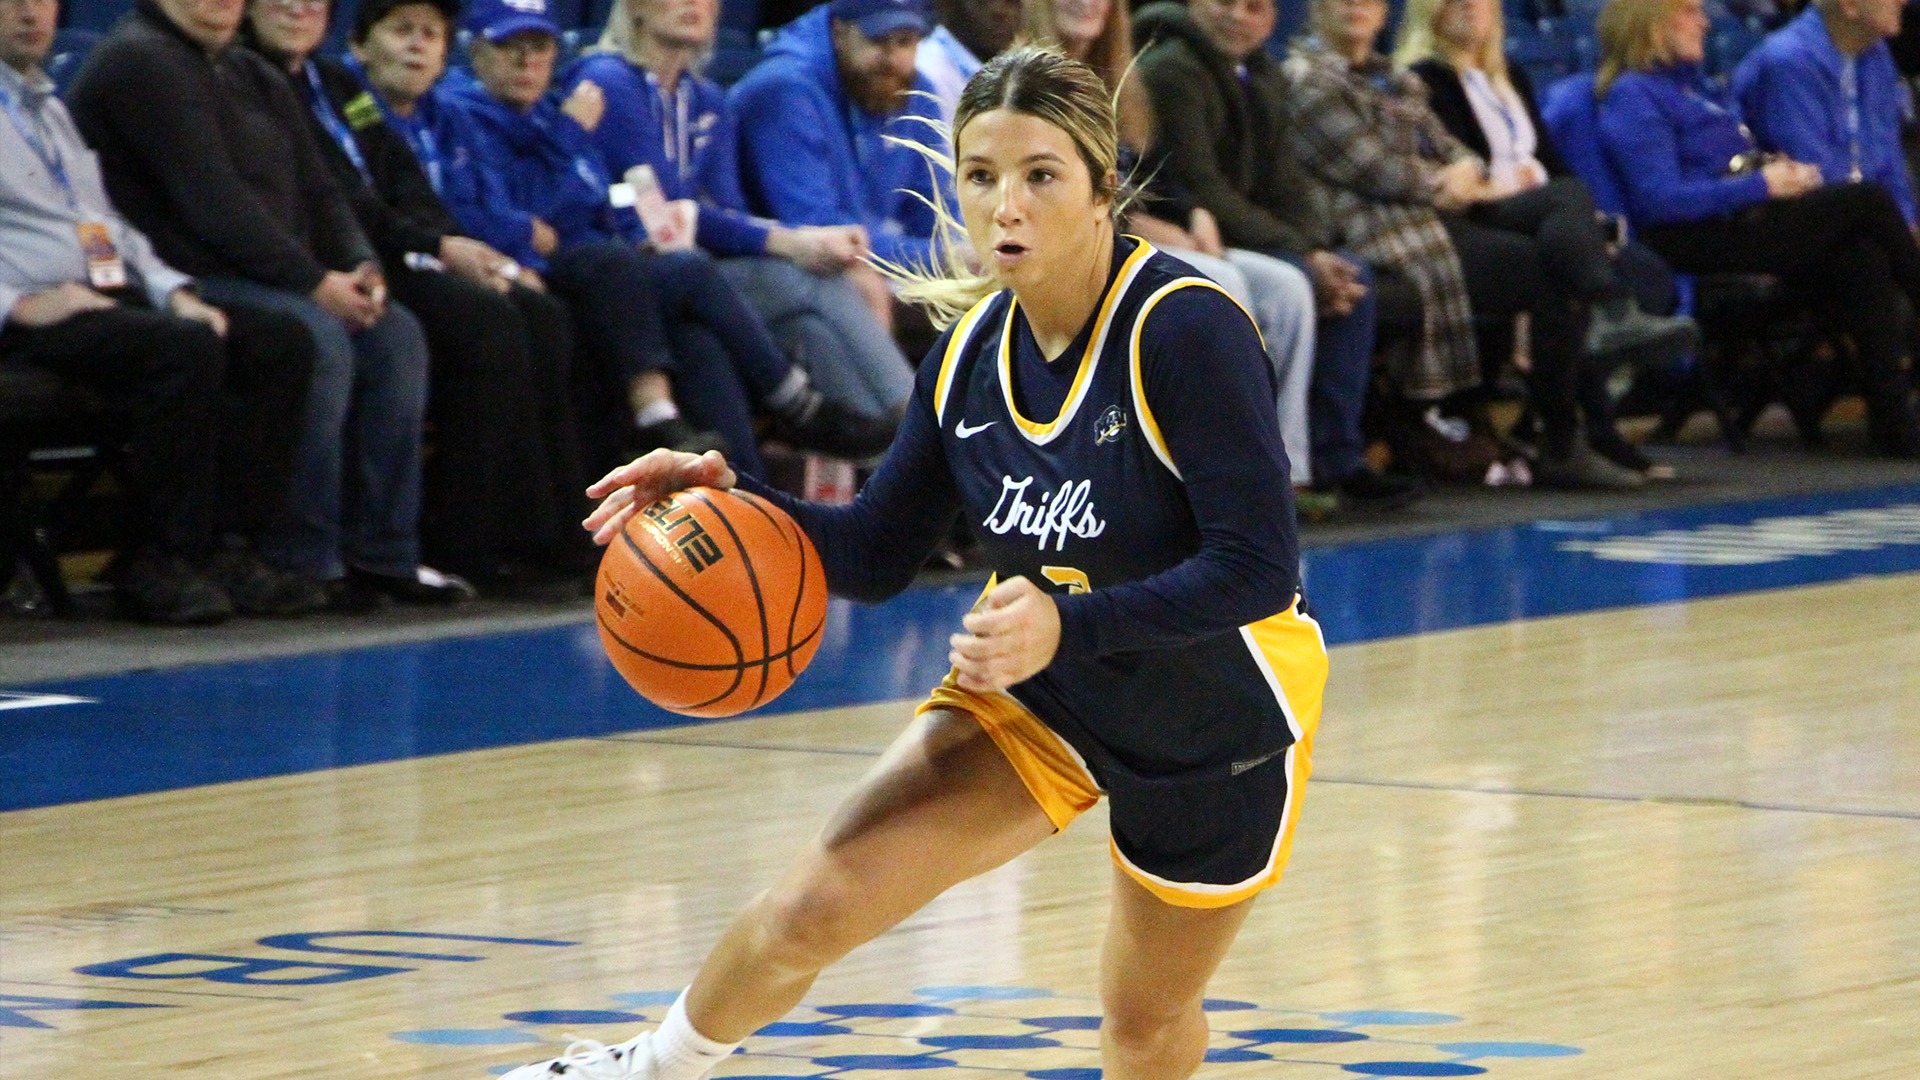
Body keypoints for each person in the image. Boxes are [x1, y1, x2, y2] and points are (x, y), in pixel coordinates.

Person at [503, 46, 1327, 1080]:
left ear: (1103, 185)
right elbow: (876, 551)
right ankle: (647, 1070)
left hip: (1213, 716)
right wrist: (731, 500)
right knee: (812, 906)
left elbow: (1260, 569)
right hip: (1041, 693)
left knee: (1141, 1024)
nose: (1005, 206)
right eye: (981, 175)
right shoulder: (971, 352)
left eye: (1040, 175)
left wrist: (1067, 625)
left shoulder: (1184, 328)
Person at [66, 0, 475, 607]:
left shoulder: (250, 71)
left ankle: (383, 554)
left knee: (396, 336)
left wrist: (360, 265)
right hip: (184, 279)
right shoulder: (139, 61)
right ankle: (302, 558)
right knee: (316, 337)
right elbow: (213, 204)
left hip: (274, 276)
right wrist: (314, 282)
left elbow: (322, 189)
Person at [436, 0, 896, 479]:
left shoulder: (684, 100)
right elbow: (539, 212)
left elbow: (638, 202)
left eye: (538, 47)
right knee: (777, 282)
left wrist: (644, 230)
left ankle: (757, 494)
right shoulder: (593, 91)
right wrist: (789, 241)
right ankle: (826, 415)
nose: (526, 61)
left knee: (707, 339)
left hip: (651, 265)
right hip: (608, 273)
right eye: (509, 47)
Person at [242, 0, 592, 596]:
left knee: (542, 315)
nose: (416, 44)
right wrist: (435, 245)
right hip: (343, 256)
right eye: (401, 30)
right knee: (487, 324)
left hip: (394, 246)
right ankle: (468, 539)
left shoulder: (337, 85)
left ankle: (555, 534)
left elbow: (394, 170)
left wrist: (454, 243)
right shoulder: (257, 82)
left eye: (430, 32)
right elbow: (341, 196)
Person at [1, 0, 319, 623]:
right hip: (30, 314)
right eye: (12, 1)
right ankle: (158, 559)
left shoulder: (46, 106)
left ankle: (229, 547)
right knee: (180, 350)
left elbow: (103, 223)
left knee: (277, 341)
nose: (30, 14)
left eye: (41, 0)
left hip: (99, 296)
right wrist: (21, 304)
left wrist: (170, 289)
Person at [1288, 0, 1694, 488]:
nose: (1357, 6)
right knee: (1558, 263)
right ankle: (1569, 431)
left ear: (1383, 13)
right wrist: (1452, 179)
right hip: (1386, 231)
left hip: (1439, 215)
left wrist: (1464, 173)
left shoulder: (1394, 80)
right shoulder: (1309, 82)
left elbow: (1459, 152)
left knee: (1569, 203)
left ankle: (1579, 412)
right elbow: (1380, 171)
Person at [1025, 0, 1386, 510]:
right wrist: (1130, 224)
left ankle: (1285, 474)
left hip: (1139, 232)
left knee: (1286, 288)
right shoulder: (1027, 80)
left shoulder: (1120, 74)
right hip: (1076, 244)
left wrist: (1191, 213)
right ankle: (1213, 472)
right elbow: (1043, 188)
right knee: (1219, 284)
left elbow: (1153, 171)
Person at [561, 0, 916, 425]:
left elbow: (726, 210)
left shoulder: (706, 97)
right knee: (822, 281)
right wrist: (789, 241)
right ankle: (924, 432)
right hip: (638, 274)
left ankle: (876, 449)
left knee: (813, 325)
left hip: (707, 270)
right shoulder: (606, 81)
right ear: (636, 6)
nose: (695, 3)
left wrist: (772, 237)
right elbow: (665, 206)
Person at [1596, 0, 1920, 455]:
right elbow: (1659, 202)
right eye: (1689, 11)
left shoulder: (1696, 88)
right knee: (1865, 201)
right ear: (1649, 23)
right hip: (1689, 236)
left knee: (1860, 254)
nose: (1705, 22)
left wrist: (1773, 173)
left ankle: (1894, 425)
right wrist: (1761, 185)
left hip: (1737, 219)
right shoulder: (1634, 95)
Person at [1134, 0, 1421, 507]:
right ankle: (1267, 466)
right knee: (1296, 282)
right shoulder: (1171, 69)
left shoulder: (1263, 71)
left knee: (1352, 279)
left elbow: (1289, 183)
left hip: (1252, 236)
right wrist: (1301, 256)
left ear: (1271, 18)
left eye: (1254, 7)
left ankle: (1334, 459)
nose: (1238, 17)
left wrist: (1313, 248)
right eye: (1224, 3)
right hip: (1195, 231)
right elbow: (1201, 187)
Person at [728, 0, 952, 276]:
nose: (891, 59)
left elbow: (939, 211)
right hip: (780, 269)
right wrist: (945, 259)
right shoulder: (785, 90)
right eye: (877, 40)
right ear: (838, 31)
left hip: (870, 264)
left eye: (905, 42)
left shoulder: (912, 90)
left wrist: (962, 254)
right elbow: (821, 229)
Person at [1733, 0, 1918, 225]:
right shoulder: (1788, 63)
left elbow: (1890, 160)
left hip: (1863, 220)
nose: (1903, 1)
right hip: (1805, 223)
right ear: (1849, 4)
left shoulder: (1875, 52)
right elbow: (1815, 179)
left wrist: (1907, 223)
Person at [916, 0, 1020, 122]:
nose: (1000, 11)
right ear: (947, 4)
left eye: (1011, 1)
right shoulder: (926, 72)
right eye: (983, 2)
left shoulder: (1015, 73)